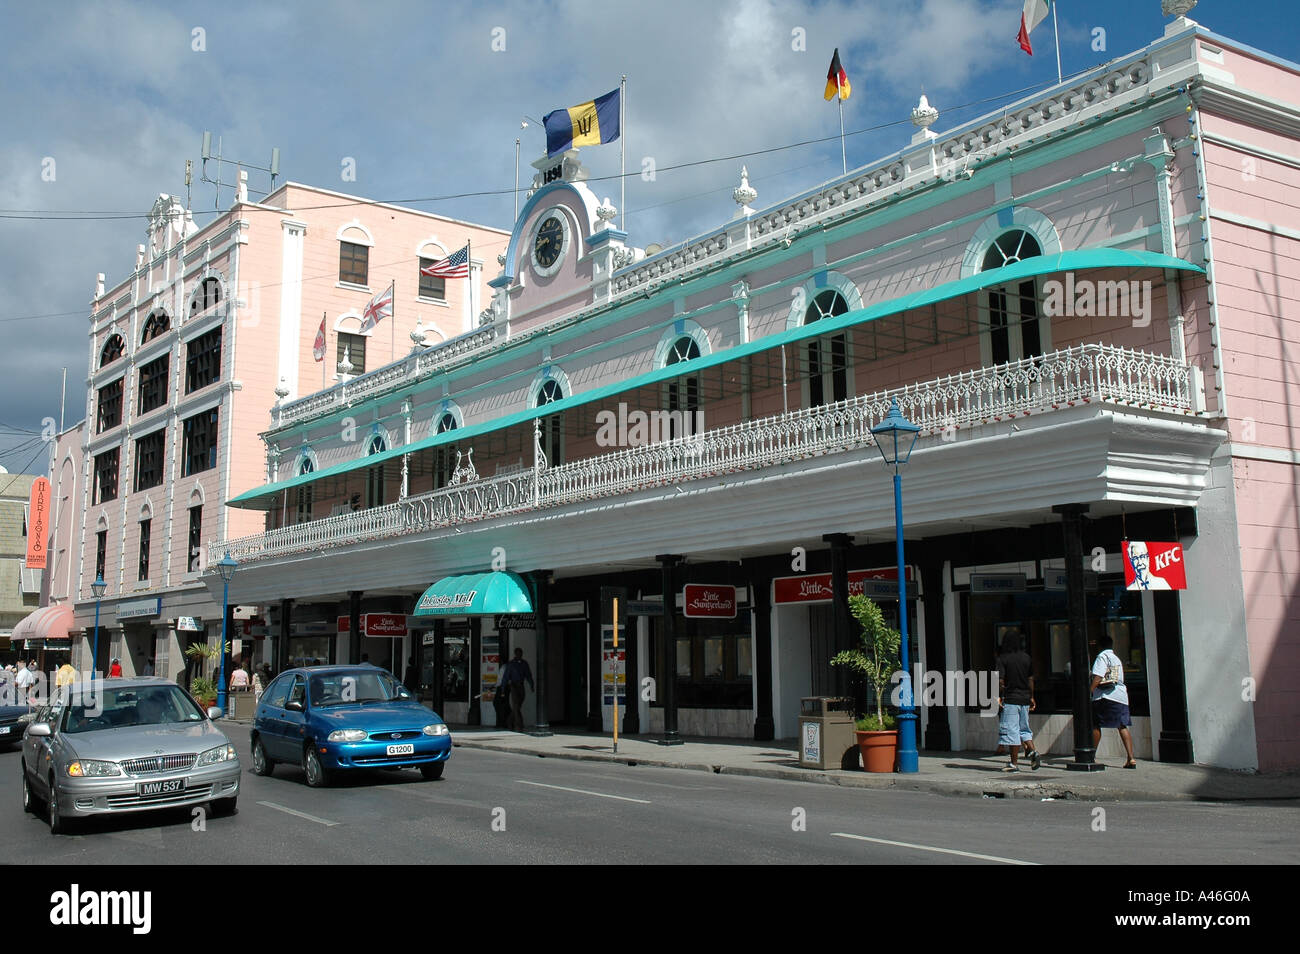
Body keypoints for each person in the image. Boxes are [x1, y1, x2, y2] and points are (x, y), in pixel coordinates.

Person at [995, 630, 1041, 772]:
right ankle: (1033, 751)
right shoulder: (1026, 658)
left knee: (1012, 731)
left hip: (1011, 698)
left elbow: (1001, 681)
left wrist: (999, 695)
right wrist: (1031, 696)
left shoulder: (1003, 659)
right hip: (1024, 698)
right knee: (1024, 729)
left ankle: (1014, 763)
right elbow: (1030, 679)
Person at [1091, 633, 1137, 768]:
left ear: (1100, 646)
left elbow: (1098, 676)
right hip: (1120, 696)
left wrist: (1091, 690)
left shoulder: (1102, 657)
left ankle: (1091, 755)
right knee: (1122, 725)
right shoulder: (1116, 658)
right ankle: (1131, 758)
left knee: (1096, 724)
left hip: (1105, 696)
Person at [500, 647, 534, 732]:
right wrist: (503, 689)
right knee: (515, 705)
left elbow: (528, 675)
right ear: (515, 654)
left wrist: (531, 685)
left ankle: (509, 721)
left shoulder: (524, 664)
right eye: (518, 653)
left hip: (521, 686)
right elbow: (505, 677)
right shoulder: (511, 664)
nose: (519, 655)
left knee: (518, 706)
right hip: (514, 686)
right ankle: (519, 725)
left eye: (521, 653)